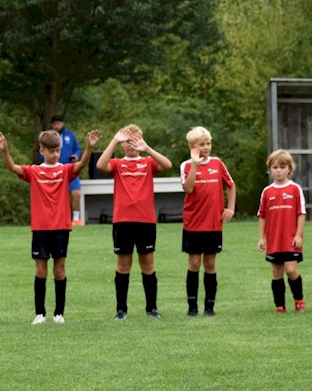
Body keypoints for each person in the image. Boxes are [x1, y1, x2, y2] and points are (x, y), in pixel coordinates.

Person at [0, 127, 101, 324]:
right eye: (51, 151)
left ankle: (59, 313)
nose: (55, 154)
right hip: (41, 228)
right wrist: (4, 150)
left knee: (59, 270)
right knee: (41, 270)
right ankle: (40, 313)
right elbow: (13, 167)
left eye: (58, 150)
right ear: (41, 151)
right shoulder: (34, 171)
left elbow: (82, 165)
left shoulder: (65, 170)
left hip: (61, 227)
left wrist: (88, 148)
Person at [96, 125, 172, 320]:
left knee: (148, 264)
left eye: (136, 141)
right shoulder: (118, 164)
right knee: (123, 264)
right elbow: (100, 165)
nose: (132, 145)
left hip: (146, 221)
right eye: (128, 142)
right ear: (122, 144)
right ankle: (121, 309)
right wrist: (114, 140)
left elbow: (167, 165)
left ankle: (152, 308)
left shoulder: (148, 162)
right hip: (122, 221)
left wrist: (147, 148)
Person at [180, 126, 236, 316]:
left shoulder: (218, 164)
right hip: (193, 224)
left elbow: (231, 185)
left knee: (210, 264)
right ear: (192, 146)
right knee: (194, 263)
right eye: (202, 144)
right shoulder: (186, 165)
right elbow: (188, 188)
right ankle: (192, 307)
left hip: (213, 224)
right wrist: (195, 164)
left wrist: (230, 208)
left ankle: (209, 307)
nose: (206, 147)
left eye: (208, 143)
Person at [257, 150, 306, 313]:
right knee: (276, 271)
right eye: (275, 167)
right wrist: (261, 238)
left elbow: (301, 213)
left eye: (282, 167)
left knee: (291, 270)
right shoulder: (267, 191)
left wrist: (298, 235)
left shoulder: (295, 189)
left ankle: (299, 301)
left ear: (289, 169)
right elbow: (262, 216)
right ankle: (280, 306)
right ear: (270, 169)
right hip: (274, 239)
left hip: (291, 239)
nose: (278, 170)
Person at [49, 115, 84, 226]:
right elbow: (41, 152)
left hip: (70, 169)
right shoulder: (48, 137)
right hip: (55, 170)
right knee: (56, 196)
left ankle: (76, 219)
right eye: (54, 124)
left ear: (62, 124)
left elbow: (78, 149)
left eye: (58, 123)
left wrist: (76, 155)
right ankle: (57, 219)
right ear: (51, 125)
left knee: (76, 193)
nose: (57, 126)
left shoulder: (70, 135)